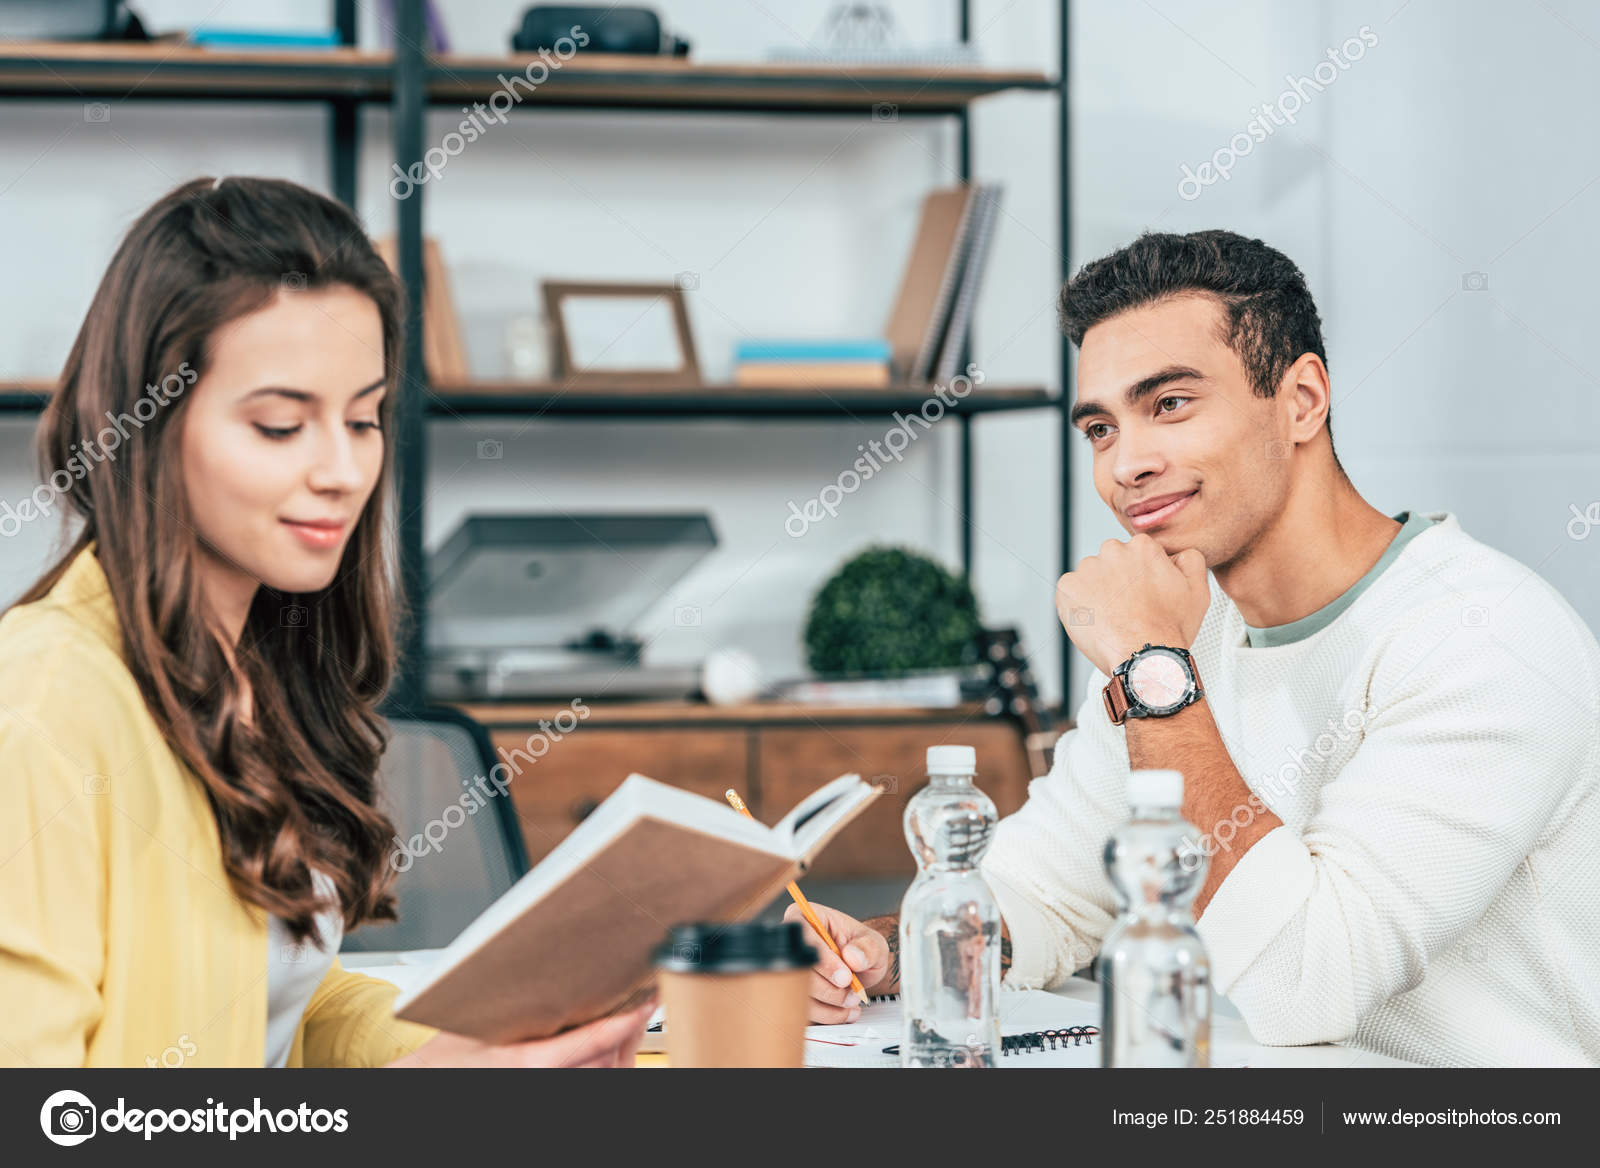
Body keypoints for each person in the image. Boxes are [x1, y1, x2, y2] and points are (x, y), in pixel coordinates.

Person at [789, 230, 1600, 1067]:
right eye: (1100, 428)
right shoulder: (1187, 630)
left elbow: (1306, 982)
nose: (1126, 465)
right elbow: (1044, 895)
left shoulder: (1483, 635)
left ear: (1302, 400)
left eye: (1169, 404)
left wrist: (1149, 671)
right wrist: (882, 952)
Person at [0, 176, 653, 1068]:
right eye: (279, 425)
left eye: (364, 417)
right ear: (145, 426)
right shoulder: (38, 708)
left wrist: (458, 1059)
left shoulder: (256, 669)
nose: (344, 470)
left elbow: (273, 998)